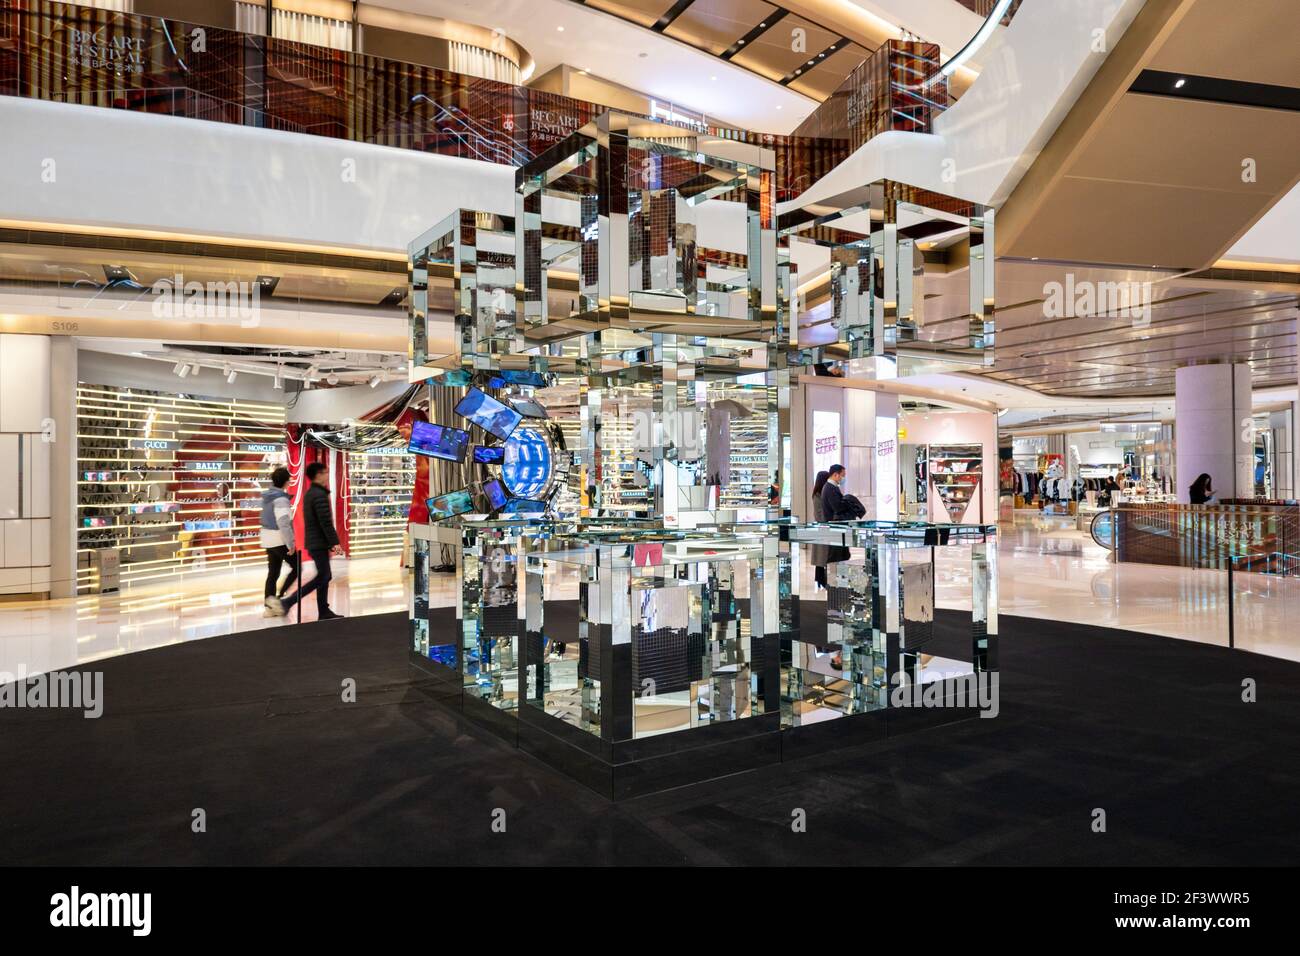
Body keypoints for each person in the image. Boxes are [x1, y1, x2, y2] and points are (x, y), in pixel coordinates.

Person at [279, 461, 345, 620]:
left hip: (316, 542)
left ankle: (323, 611)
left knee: (324, 576)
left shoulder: (312, 493)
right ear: (318, 475)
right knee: (322, 576)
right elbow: (325, 522)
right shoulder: (318, 494)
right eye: (324, 472)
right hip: (318, 542)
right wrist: (335, 542)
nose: (326, 475)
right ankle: (289, 602)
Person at [260, 466, 299, 615]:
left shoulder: (267, 497)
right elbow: (283, 523)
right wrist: (291, 543)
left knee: (273, 572)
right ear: (287, 482)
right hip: (279, 539)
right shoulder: (281, 499)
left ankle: (269, 606)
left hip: (267, 538)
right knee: (297, 568)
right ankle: (278, 599)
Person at [809, 470, 831, 589]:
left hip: (825, 529)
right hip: (823, 529)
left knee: (823, 557)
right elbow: (819, 515)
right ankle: (821, 580)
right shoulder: (817, 496)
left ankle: (821, 579)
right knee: (821, 557)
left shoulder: (821, 494)